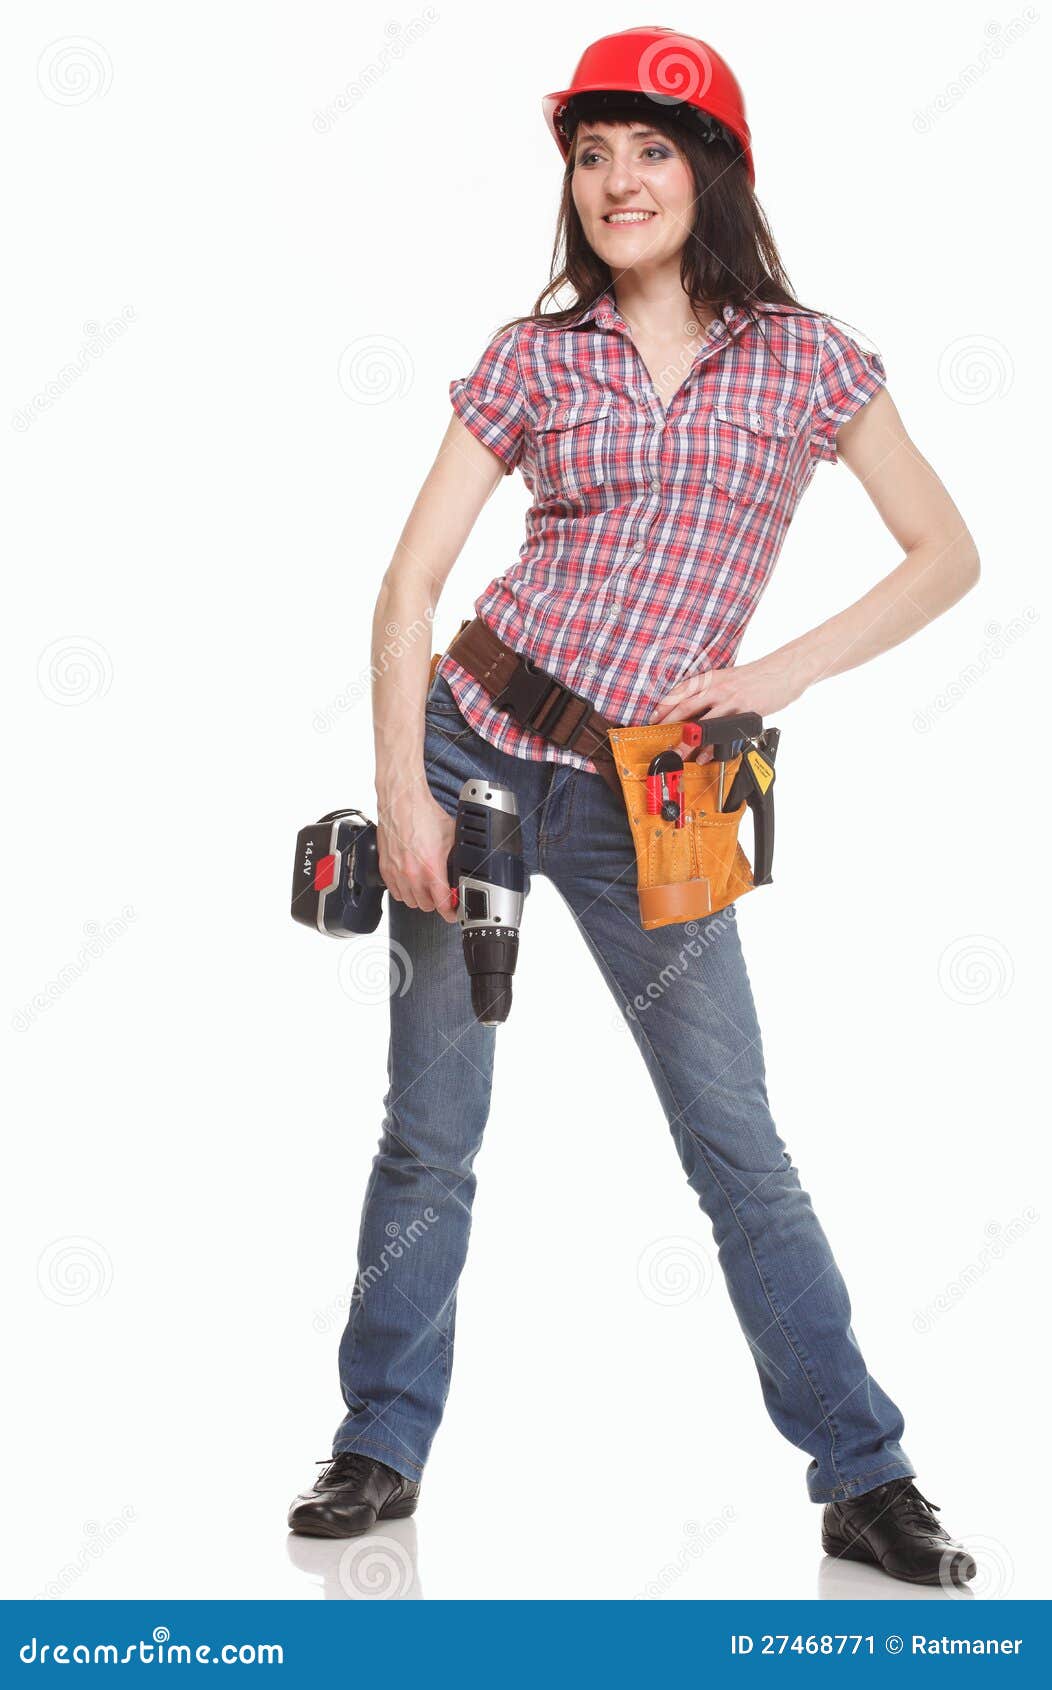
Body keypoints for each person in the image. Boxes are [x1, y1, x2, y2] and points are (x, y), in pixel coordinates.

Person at [288, 27, 980, 1588]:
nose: (616, 181)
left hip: (651, 797)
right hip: (474, 751)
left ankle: (863, 1475)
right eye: (592, 153)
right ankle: (378, 1444)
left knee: (735, 1138)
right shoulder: (539, 354)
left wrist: (774, 672)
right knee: (431, 1132)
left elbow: (948, 552)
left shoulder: (809, 360)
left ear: (711, 169)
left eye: (650, 151)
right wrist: (406, 787)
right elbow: (409, 583)